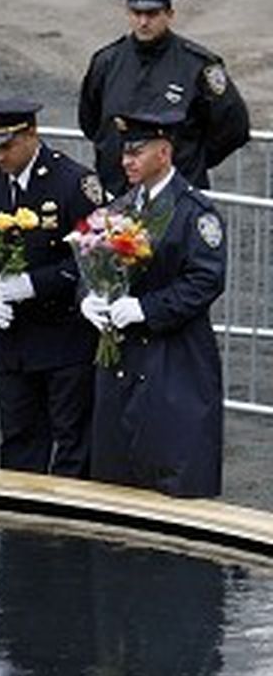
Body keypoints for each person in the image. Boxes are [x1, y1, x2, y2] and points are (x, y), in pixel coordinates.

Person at [79, 111, 226, 497]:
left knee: (172, 471)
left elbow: (205, 279)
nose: (127, 161)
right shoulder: (119, 208)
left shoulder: (194, 212)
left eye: (137, 152)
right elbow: (90, 259)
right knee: (117, 475)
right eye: (124, 153)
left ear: (164, 153)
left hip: (173, 358)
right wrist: (90, 297)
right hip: (123, 361)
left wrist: (148, 309)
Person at [0, 100, 101, 476]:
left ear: (31, 135)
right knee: (18, 435)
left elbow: (93, 257)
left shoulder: (73, 182)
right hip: (15, 340)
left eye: (6, 145)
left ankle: (67, 526)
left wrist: (35, 284)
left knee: (72, 438)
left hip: (63, 336)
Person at [78, 0, 249, 196]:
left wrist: (193, 159)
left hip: (177, 196)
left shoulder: (196, 65)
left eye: (152, 13)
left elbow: (233, 126)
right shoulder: (107, 62)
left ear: (169, 15)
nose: (143, 22)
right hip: (117, 194)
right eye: (136, 13)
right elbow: (91, 122)